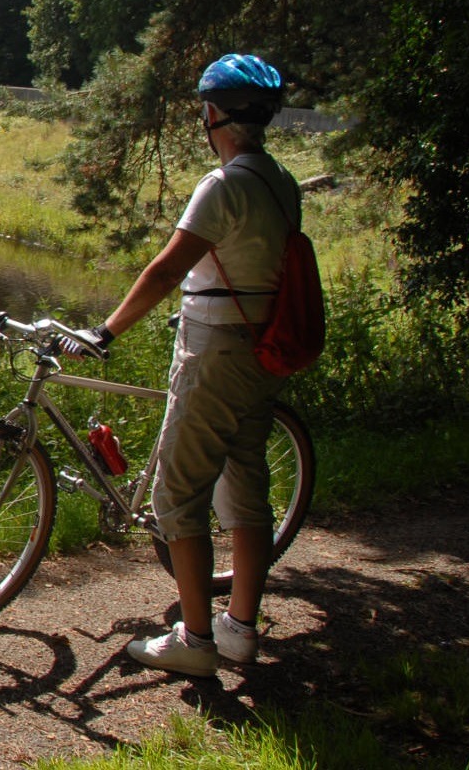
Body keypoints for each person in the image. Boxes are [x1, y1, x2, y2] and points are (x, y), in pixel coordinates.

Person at [59, 53, 299, 677]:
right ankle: (240, 629)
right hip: (260, 352)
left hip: (216, 354)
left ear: (214, 114)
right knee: (246, 488)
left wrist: (105, 331)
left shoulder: (225, 185)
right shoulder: (279, 180)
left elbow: (167, 268)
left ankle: (195, 641)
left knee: (177, 496)